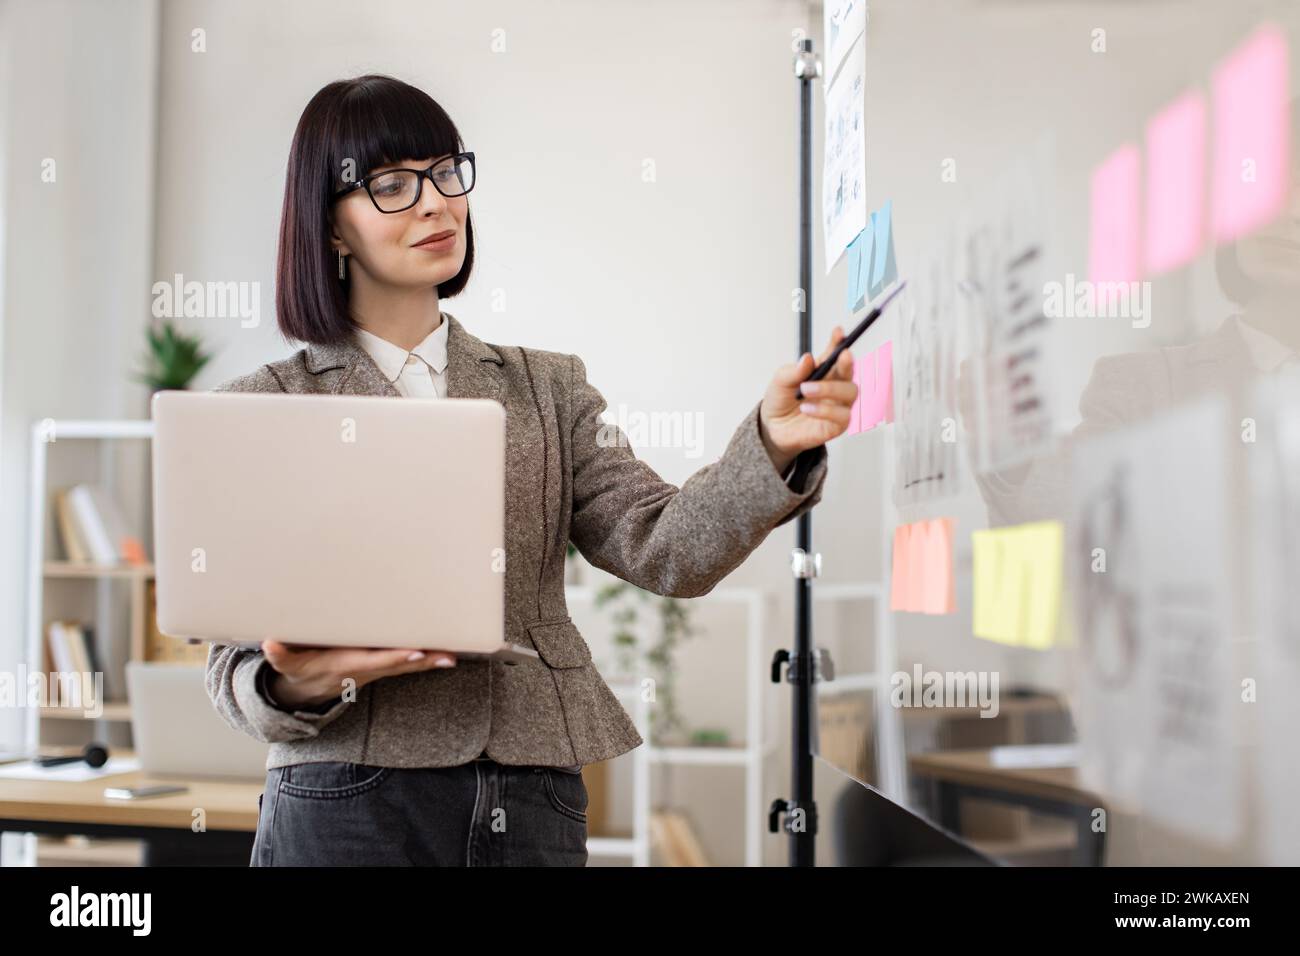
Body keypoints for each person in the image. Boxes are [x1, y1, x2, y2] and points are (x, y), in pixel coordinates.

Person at [204, 74, 858, 866]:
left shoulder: (548, 387)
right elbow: (235, 667)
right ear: (332, 229)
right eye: (390, 186)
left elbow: (666, 547)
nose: (436, 203)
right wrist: (300, 684)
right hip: (347, 793)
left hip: (529, 790)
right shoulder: (265, 404)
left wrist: (773, 444)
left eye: (447, 172)